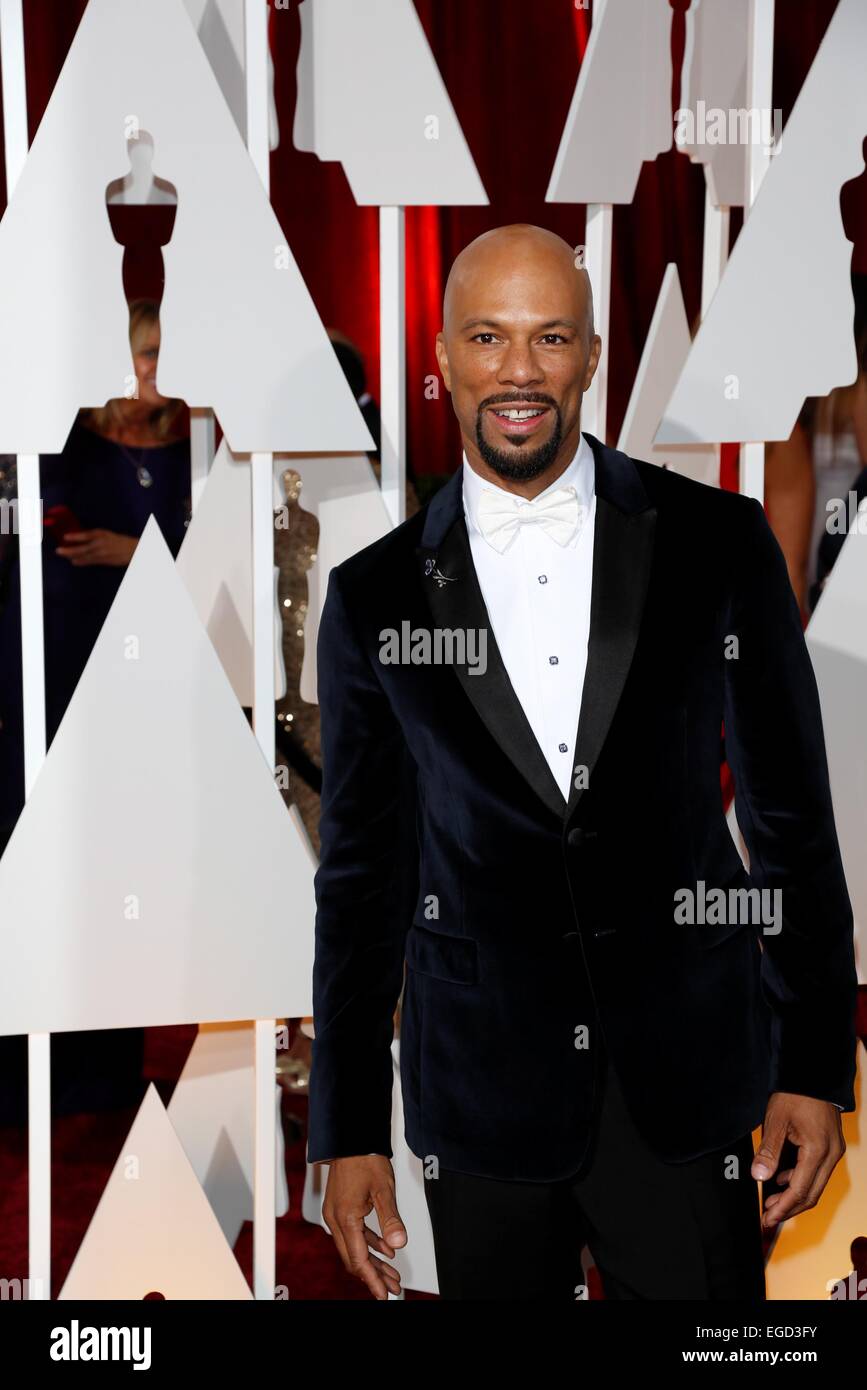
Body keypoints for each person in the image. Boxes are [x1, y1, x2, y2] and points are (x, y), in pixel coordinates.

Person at [306, 225, 857, 1301]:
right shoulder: (374, 598)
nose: (519, 371)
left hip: (683, 1077)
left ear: (592, 355)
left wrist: (812, 1061)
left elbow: (792, 823)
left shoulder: (717, 543)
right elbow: (361, 877)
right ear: (444, 356)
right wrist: (347, 1123)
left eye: (550, 337)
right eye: (489, 337)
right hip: (482, 1086)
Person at [0, 297, 190, 1121]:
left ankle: (107, 1076)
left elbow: (236, 555)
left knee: (123, 874)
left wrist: (137, 553)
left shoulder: (205, 449)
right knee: (37, 858)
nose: (148, 375)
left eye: (159, 358)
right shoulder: (65, 446)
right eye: (138, 356)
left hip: (147, 686)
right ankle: (22, 1079)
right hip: (50, 665)